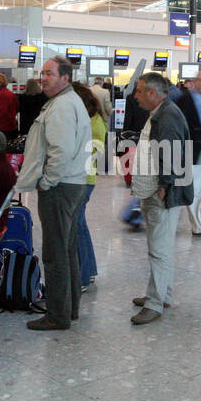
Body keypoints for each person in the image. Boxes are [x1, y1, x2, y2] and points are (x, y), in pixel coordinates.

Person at [14, 56, 91, 331]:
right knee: (67, 250)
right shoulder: (68, 102)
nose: (43, 78)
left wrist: (47, 181)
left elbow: (60, 150)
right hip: (72, 183)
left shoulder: (60, 106)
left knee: (55, 254)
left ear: (65, 78)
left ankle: (57, 315)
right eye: (42, 73)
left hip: (60, 187)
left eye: (49, 74)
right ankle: (69, 309)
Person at [129, 72, 194, 325]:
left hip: (162, 191)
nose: (135, 97)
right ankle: (161, 295)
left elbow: (171, 153)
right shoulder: (161, 113)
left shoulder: (167, 117)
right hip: (155, 187)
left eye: (138, 91)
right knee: (161, 246)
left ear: (152, 93)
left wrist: (165, 185)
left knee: (159, 249)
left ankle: (155, 304)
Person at [70, 83, 108, 289]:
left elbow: (93, 153)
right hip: (84, 178)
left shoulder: (91, 124)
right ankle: (89, 270)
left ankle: (83, 276)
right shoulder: (91, 120)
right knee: (80, 225)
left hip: (83, 179)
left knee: (76, 226)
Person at [173, 70, 201, 237]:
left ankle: (197, 225)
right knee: (193, 189)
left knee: (198, 190)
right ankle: (198, 226)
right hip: (189, 151)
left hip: (200, 150)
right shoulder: (184, 100)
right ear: (195, 81)